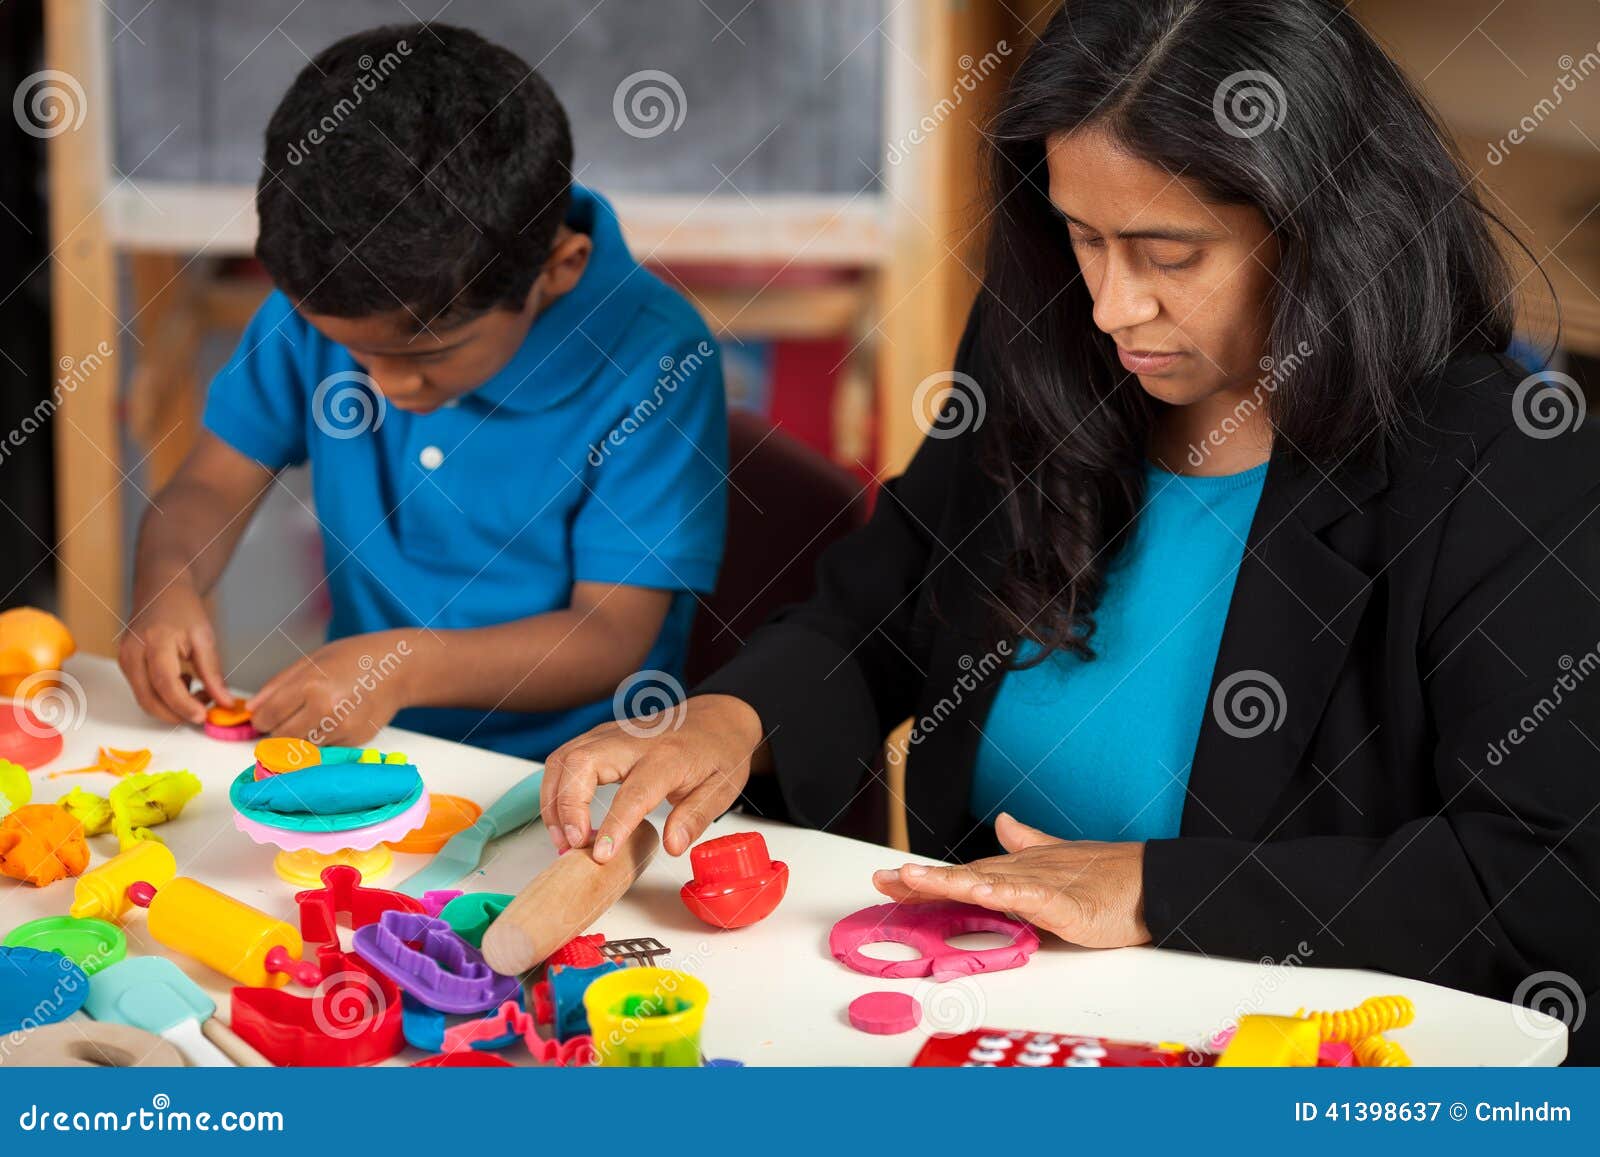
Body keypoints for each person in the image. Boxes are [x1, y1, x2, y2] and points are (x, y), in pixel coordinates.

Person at [542, 0, 1600, 1062]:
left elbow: (1542, 881)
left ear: (1328, 230)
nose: (1109, 306)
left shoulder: (1509, 464)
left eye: (1167, 255)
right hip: (982, 1026)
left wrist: (1151, 888)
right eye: (1080, 237)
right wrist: (732, 717)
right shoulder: (1042, 347)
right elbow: (877, 610)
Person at [118, 24, 727, 759]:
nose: (386, 383)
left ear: (560, 267)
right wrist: (166, 584)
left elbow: (609, 634)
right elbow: (210, 486)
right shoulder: (336, 292)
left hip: (574, 778)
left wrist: (397, 669)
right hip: (371, 748)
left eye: (428, 355)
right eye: (353, 351)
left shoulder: (654, 357)